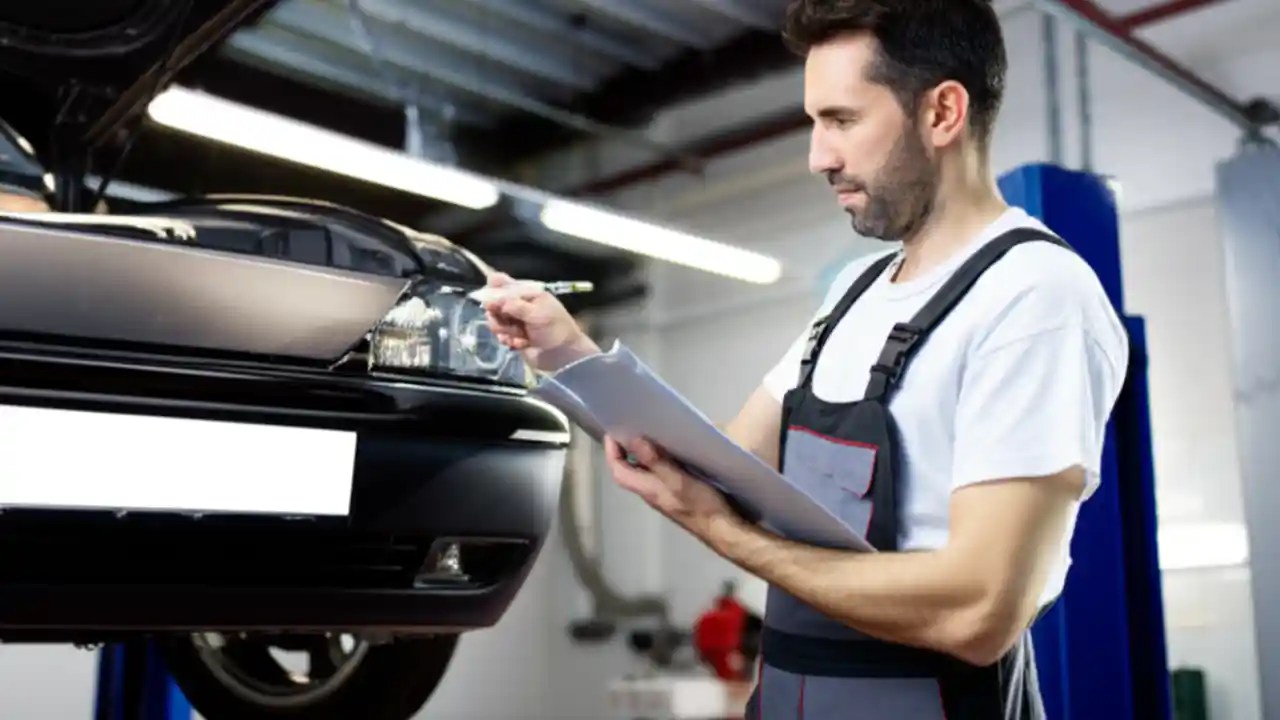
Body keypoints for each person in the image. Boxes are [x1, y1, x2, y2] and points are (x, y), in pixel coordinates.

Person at [483, 0, 1129, 716]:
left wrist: (727, 536)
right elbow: (717, 467)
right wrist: (567, 351)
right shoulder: (857, 290)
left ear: (943, 112)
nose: (819, 156)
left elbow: (978, 612)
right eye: (814, 123)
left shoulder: (1033, 295)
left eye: (842, 120)